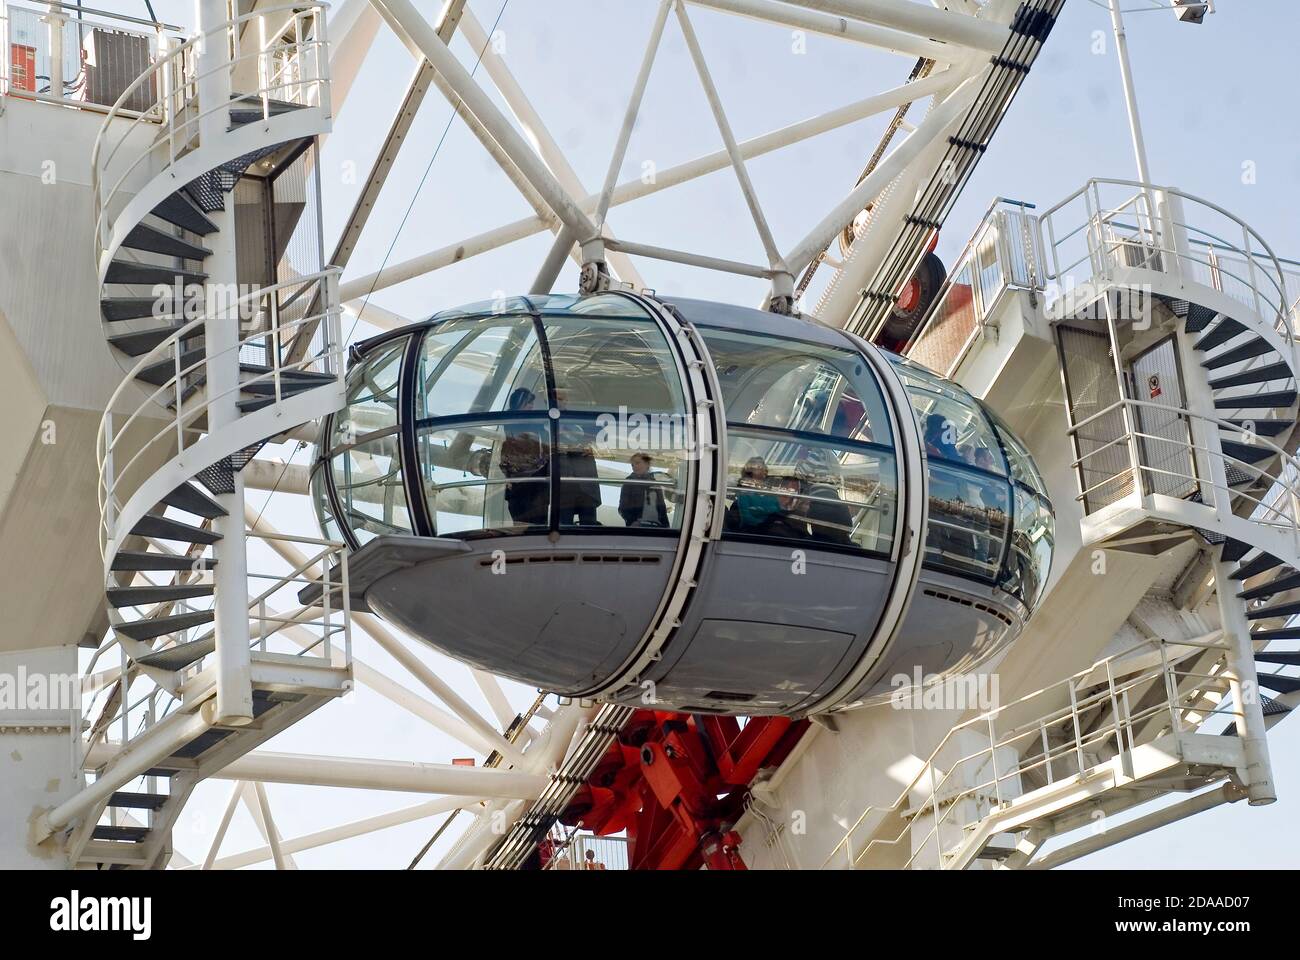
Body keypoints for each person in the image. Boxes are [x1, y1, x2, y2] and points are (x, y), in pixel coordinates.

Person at [500, 388, 549, 526]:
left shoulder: (517, 424)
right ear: (520, 403)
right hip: (525, 484)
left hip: (529, 484)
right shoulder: (516, 422)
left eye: (531, 404)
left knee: (530, 521)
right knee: (526, 521)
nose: (531, 407)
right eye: (528, 403)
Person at [797, 450, 853, 545]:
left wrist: (800, 461)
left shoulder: (817, 454)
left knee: (820, 539)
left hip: (820, 501)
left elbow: (799, 473)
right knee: (840, 540)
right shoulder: (832, 458)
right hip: (836, 501)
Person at [619, 453, 670, 527]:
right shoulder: (629, 482)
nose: (634, 467)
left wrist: (666, 526)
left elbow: (662, 507)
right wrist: (632, 522)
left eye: (637, 463)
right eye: (632, 465)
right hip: (638, 526)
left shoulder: (655, 482)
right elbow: (623, 507)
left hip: (657, 526)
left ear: (647, 464)